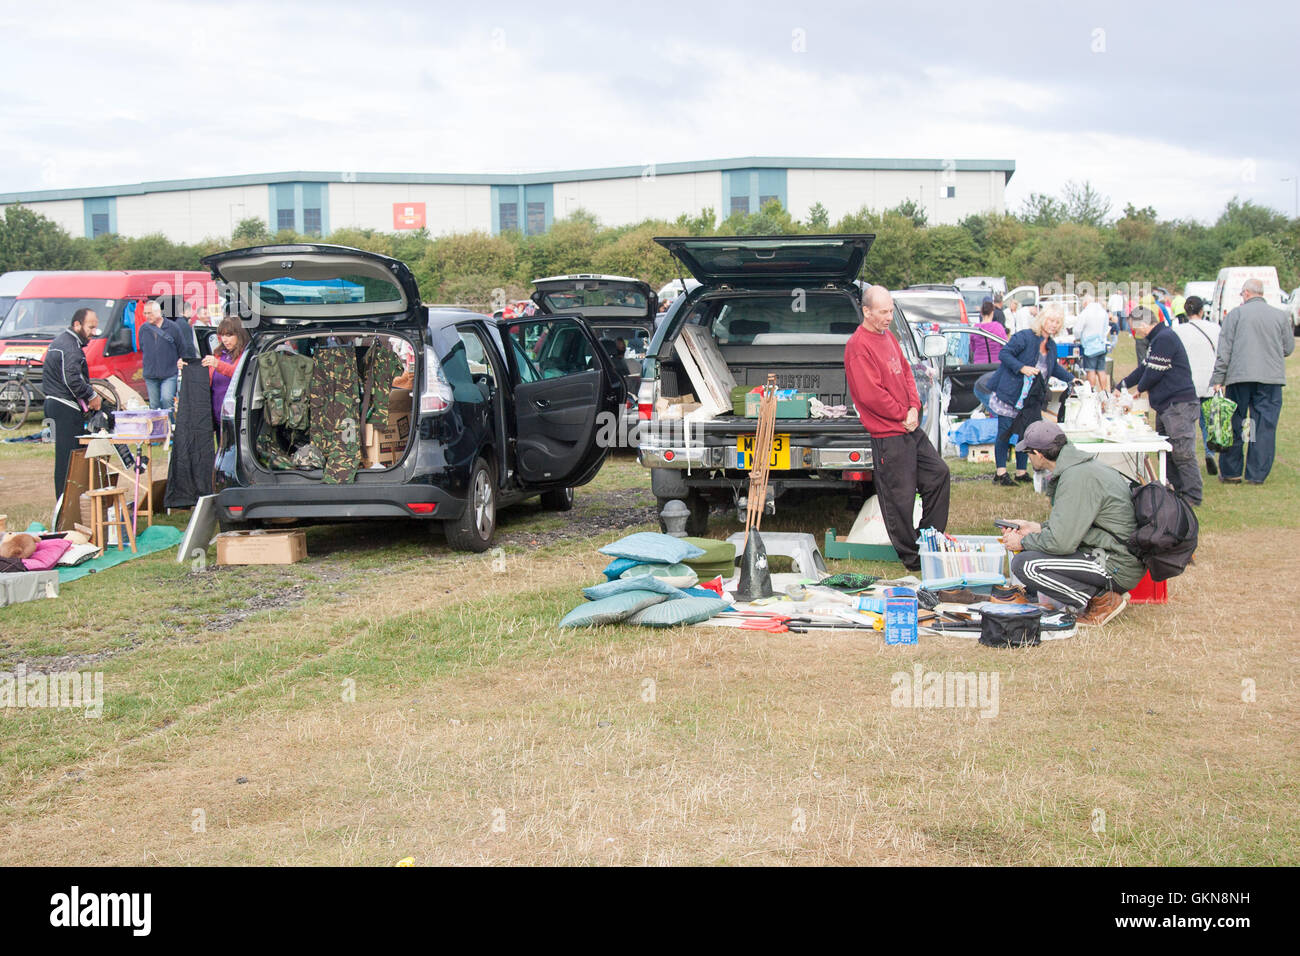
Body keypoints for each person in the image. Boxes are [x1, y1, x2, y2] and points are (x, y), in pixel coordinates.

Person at [845, 284, 950, 572]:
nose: (889, 317)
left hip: (908, 424)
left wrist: (914, 406)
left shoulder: (887, 336)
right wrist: (901, 413)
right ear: (867, 312)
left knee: (938, 474)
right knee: (899, 498)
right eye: (883, 312)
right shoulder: (858, 345)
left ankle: (929, 538)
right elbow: (870, 394)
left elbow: (905, 371)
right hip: (888, 432)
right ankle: (911, 557)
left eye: (891, 311)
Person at [999, 421, 1146, 626]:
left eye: (1028, 453)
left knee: (1026, 564)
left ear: (1039, 454)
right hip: (1114, 554)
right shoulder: (1081, 469)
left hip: (1115, 563)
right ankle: (1099, 595)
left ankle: (1102, 600)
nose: (1028, 458)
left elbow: (1062, 542)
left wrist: (1023, 542)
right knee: (1031, 557)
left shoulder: (1076, 477)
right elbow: (1074, 524)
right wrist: (1036, 528)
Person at [1210, 277, 1294, 484]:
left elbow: (1225, 351)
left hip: (1240, 376)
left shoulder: (1235, 315)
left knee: (1234, 422)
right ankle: (1257, 475)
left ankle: (1231, 472)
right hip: (1270, 378)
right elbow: (1288, 348)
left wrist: (1218, 378)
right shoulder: (1281, 316)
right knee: (1264, 426)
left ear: (1246, 293)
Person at [1115, 307, 1202, 505]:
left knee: (1182, 452)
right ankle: (1177, 492)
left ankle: (1193, 495)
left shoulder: (1164, 338)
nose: (1134, 333)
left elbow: (1154, 372)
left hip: (1178, 404)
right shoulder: (1158, 339)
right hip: (1167, 406)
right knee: (1169, 451)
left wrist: (1139, 390)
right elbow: (1144, 369)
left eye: (1134, 328)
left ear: (1143, 324)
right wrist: (1121, 385)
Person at [987, 308, 1073, 485]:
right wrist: (1022, 367)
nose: (1053, 325)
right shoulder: (1025, 337)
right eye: (1050, 320)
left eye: (1057, 322)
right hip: (1010, 394)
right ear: (1042, 320)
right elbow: (1004, 354)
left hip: (1030, 399)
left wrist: (1072, 379)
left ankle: (1021, 472)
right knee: (1004, 433)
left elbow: (1053, 368)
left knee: (1025, 436)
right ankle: (1001, 473)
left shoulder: (1052, 346)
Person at [40, 308, 102, 499]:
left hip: (57, 403)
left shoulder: (64, 342)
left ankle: (70, 501)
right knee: (68, 460)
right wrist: (91, 395)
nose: (93, 332)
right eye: (90, 327)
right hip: (63, 405)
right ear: (77, 325)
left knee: (68, 457)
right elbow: (72, 380)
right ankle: (66, 504)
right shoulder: (70, 346)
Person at [1172, 295, 1220, 475]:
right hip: (1209, 382)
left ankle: (1189, 457)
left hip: (1187, 383)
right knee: (1207, 422)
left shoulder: (1178, 331)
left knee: (1188, 423)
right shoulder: (1215, 328)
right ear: (1202, 311)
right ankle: (1209, 453)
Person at [181, 315, 248, 427]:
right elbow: (205, 375)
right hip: (216, 410)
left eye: (229, 335)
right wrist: (187, 366)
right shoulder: (219, 354)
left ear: (239, 335)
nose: (225, 339)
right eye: (222, 335)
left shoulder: (245, 354)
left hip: (235, 413)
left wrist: (218, 364)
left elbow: (238, 372)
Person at [139, 299, 195, 417]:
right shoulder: (143, 329)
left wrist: (182, 361)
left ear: (158, 312)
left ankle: (170, 428)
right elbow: (143, 348)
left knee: (167, 400)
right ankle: (157, 432)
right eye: (145, 313)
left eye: (150, 313)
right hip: (150, 374)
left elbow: (182, 347)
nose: (147, 316)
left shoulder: (173, 327)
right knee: (154, 405)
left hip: (169, 372)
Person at [1075, 293, 1111, 391]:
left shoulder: (1085, 313)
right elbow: (1106, 328)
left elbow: (1078, 329)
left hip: (1090, 346)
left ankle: (1092, 391)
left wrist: (1077, 338)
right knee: (1101, 370)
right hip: (1102, 345)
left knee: (1090, 370)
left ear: (1086, 302)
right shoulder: (1103, 312)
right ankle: (1104, 392)